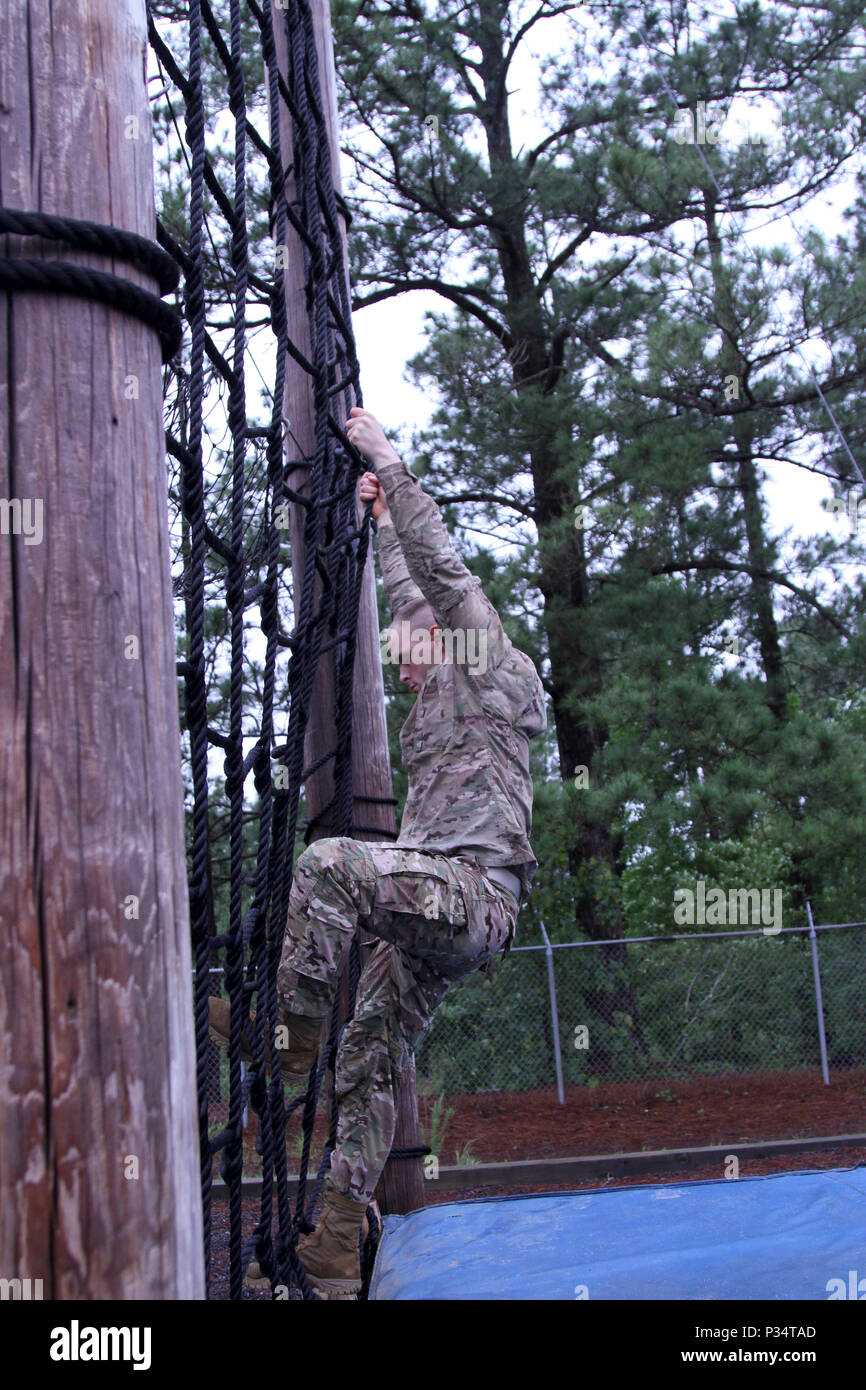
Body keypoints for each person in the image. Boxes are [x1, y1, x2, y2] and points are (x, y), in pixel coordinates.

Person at [210, 406, 546, 1298]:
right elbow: (408, 587)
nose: (398, 671)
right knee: (367, 1053)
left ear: (444, 637)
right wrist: (381, 525)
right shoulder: (434, 668)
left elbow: (441, 574)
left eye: (406, 655)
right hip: (435, 900)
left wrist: (391, 464)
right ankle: (335, 1246)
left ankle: (280, 1048)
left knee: (328, 865)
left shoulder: (489, 660)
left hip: (476, 895)